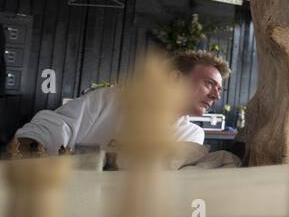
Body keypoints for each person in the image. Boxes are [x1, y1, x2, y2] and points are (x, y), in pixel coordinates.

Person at [5, 50, 227, 157]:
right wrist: (33, 144)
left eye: (219, 88)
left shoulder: (192, 135)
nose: (216, 95)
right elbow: (55, 125)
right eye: (209, 83)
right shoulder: (109, 100)